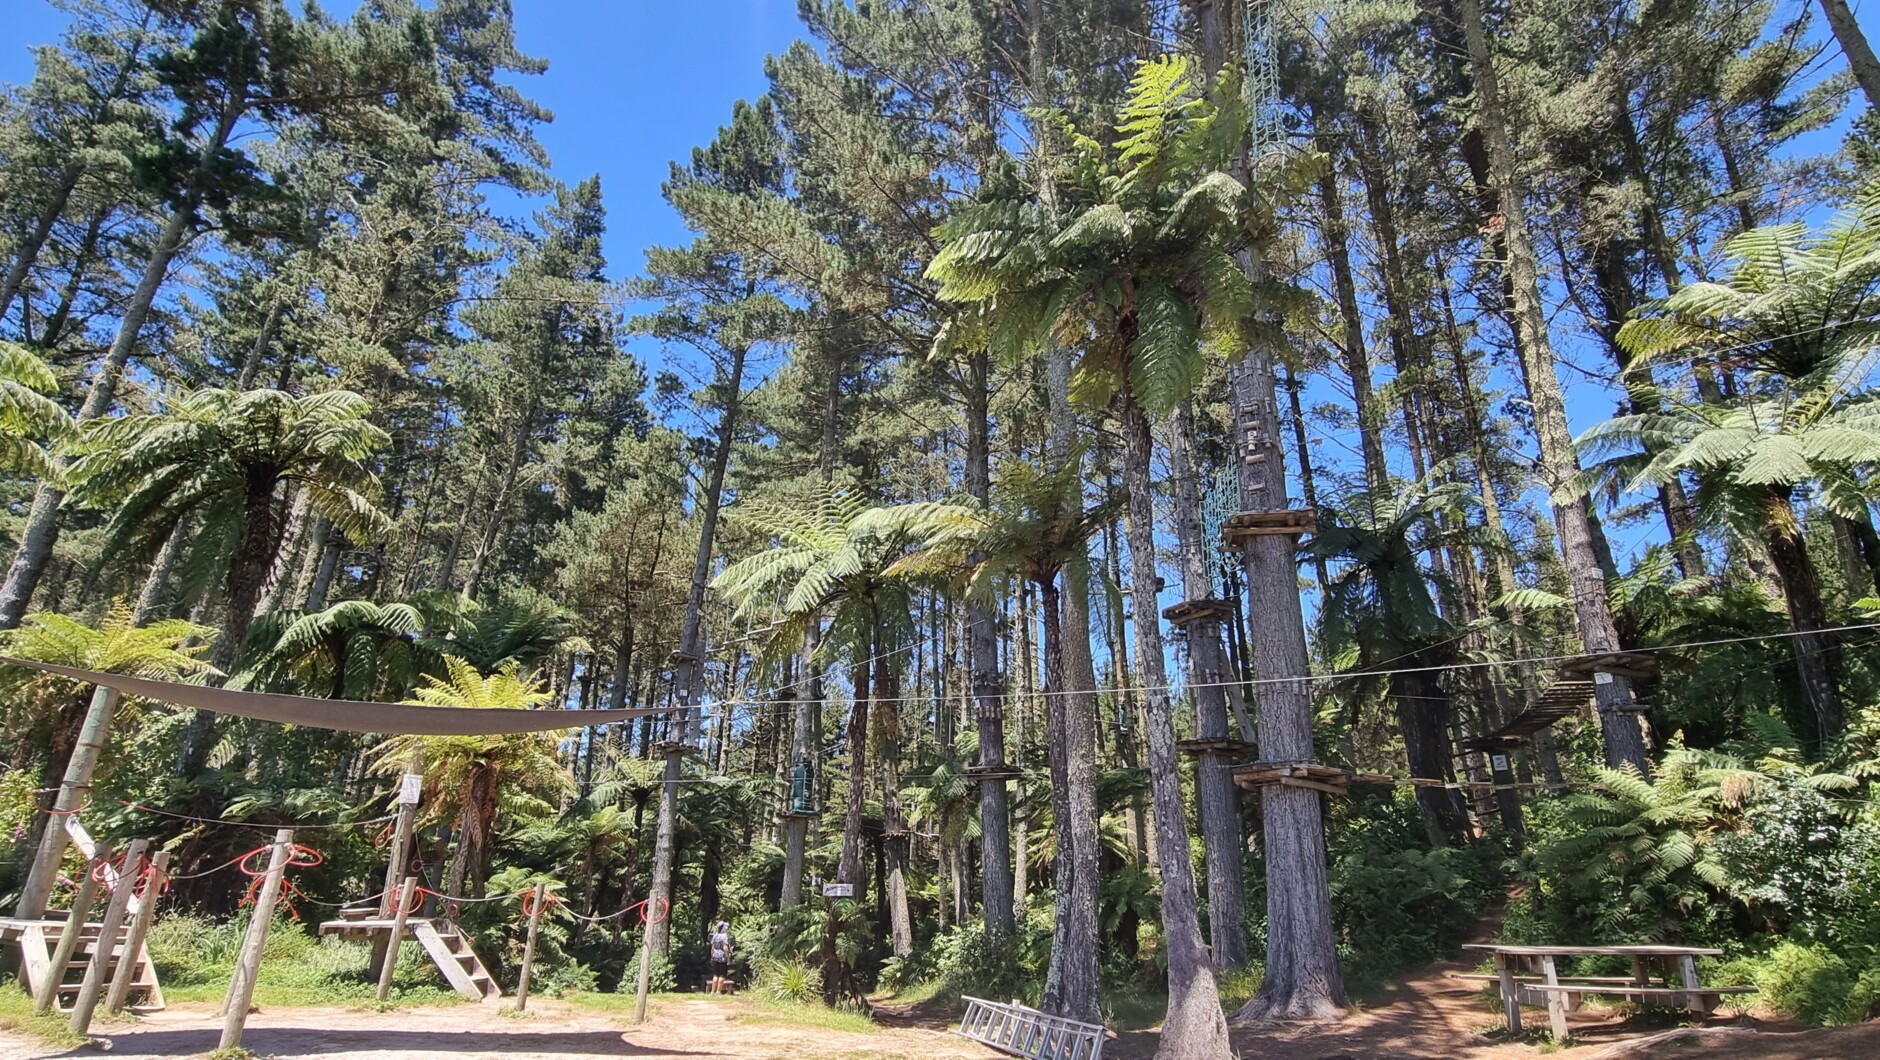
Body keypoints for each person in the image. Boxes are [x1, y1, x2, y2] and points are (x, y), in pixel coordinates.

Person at [708, 920, 734, 994]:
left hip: (715, 957)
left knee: (716, 974)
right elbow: (725, 948)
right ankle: (718, 991)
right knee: (722, 975)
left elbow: (712, 947)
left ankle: (712, 991)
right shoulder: (724, 936)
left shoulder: (715, 935)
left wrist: (712, 956)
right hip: (722, 958)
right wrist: (728, 959)